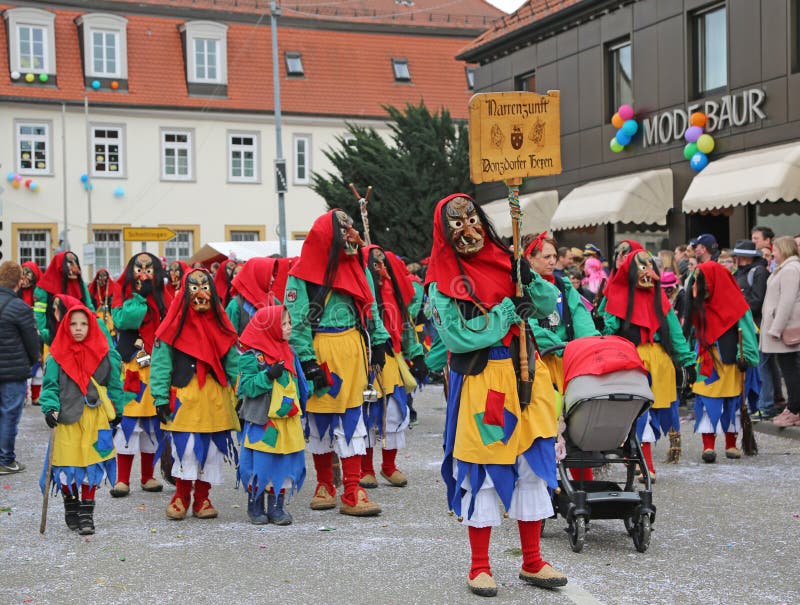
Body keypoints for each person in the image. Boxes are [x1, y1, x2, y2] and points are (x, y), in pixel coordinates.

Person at [426, 193, 566, 597]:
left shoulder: (508, 260)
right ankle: (480, 566)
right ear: (444, 234)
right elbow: (458, 337)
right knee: (485, 467)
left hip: (527, 375)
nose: (468, 230)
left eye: (472, 219)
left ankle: (533, 561)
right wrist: (506, 312)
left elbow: (546, 306)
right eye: (456, 225)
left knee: (532, 462)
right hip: (484, 380)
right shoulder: (441, 284)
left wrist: (528, 275)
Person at [284, 209, 390, 517]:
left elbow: (370, 306)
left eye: (351, 228)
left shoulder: (357, 267)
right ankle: (325, 485)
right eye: (343, 230)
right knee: (319, 419)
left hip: (353, 349)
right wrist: (307, 361)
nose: (351, 235)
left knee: (353, 417)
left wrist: (378, 340)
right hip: (320, 349)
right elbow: (297, 321)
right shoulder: (300, 273)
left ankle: (353, 490)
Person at [150, 268, 240, 520]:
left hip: (215, 397)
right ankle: (181, 495)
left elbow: (234, 364)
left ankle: (202, 497)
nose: (201, 293)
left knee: (211, 450)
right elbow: (160, 364)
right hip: (184, 397)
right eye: (194, 288)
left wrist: (242, 392)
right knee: (186, 448)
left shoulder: (222, 326)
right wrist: (159, 397)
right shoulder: (172, 327)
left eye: (205, 287)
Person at [600, 249, 695, 476]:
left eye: (650, 266)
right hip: (631, 360)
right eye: (642, 267)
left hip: (659, 362)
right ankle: (644, 464)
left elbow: (675, 331)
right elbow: (609, 329)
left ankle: (640, 460)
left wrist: (687, 362)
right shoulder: (618, 296)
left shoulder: (658, 297)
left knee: (654, 414)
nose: (647, 273)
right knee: (636, 413)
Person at [39, 305, 130, 534]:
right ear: (65, 327)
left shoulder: (103, 354)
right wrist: (50, 409)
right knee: (66, 465)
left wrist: (118, 409)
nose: (78, 328)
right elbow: (50, 387)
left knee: (92, 465)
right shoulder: (56, 356)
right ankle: (71, 504)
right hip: (67, 420)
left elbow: (114, 384)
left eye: (83, 324)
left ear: (91, 327)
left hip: (94, 418)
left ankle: (87, 513)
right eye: (73, 324)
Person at [359, 245, 426, 489]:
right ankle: (366, 469)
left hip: (391, 359)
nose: (380, 267)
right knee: (367, 415)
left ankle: (388, 466)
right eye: (375, 262)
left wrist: (417, 355)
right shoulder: (362, 291)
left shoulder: (393, 290)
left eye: (383, 261)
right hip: (365, 359)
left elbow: (406, 326)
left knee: (395, 413)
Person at [237, 305, 308, 525]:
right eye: (283, 324)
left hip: (287, 420)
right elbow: (246, 387)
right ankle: (255, 505)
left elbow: (299, 384)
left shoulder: (290, 352)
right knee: (261, 463)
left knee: (283, 461)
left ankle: (277, 507)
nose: (288, 328)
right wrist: (267, 376)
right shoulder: (252, 357)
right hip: (263, 422)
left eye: (289, 323)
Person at [109, 253, 173, 498]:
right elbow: (125, 320)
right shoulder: (122, 292)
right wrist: (140, 297)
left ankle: (148, 476)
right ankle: (122, 479)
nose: (143, 273)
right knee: (130, 422)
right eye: (139, 268)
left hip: (156, 364)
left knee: (152, 425)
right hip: (132, 367)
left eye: (149, 268)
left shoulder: (163, 294)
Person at [685, 262, 759, 462]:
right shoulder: (698, 305)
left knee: (731, 403)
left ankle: (731, 443)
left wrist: (746, 356)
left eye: (699, 282)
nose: (695, 287)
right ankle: (708, 446)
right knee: (706, 402)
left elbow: (748, 335)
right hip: (705, 362)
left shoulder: (737, 306)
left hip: (730, 363)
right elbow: (690, 334)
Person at [0, 261, 40, 474]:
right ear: (19, 281)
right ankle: (5, 460)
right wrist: (32, 362)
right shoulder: (20, 307)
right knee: (9, 415)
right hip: (13, 371)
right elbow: (32, 342)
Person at [732, 240, 776, 418]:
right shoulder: (737, 273)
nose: (736, 259)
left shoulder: (758, 272)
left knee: (759, 367)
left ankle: (764, 405)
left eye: (738, 256)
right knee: (749, 367)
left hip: (755, 326)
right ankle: (750, 403)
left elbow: (758, 301)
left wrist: (737, 307)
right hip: (741, 325)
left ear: (745, 257)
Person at [761, 237, 800, 427]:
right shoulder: (784, 268)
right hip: (781, 329)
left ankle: (795, 409)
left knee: (790, 369)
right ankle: (793, 407)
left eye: (774, 250)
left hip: (784, 330)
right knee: (788, 368)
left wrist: (776, 328)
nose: (772, 254)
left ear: (783, 250)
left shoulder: (790, 269)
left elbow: (786, 301)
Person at [34, 251, 95, 345]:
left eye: (76, 263)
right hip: (55, 336)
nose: (75, 268)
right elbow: (39, 314)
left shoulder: (80, 284)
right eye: (70, 263)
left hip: (79, 335)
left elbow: (89, 307)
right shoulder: (43, 288)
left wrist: (94, 327)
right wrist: (46, 334)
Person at [225, 256, 279, 335]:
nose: (273, 279)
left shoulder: (274, 301)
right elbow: (229, 338)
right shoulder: (236, 305)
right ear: (257, 275)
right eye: (269, 275)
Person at [19, 261, 43, 406]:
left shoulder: (39, 292)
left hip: (37, 331)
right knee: (24, 366)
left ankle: (36, 396)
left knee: (38, 365)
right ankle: (23, 395)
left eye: (29, 274)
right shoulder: (17, 291)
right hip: (21, 331)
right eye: (23, 274)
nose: (26, 278)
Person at [88, 268, 121, 337]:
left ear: (107, 277)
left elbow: (116, 303)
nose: (102, 278)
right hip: (96, 316)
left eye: (104, 276)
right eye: (100, 276)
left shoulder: (112, 288)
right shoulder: (93, 289)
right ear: (97, 278)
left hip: (110, 317)